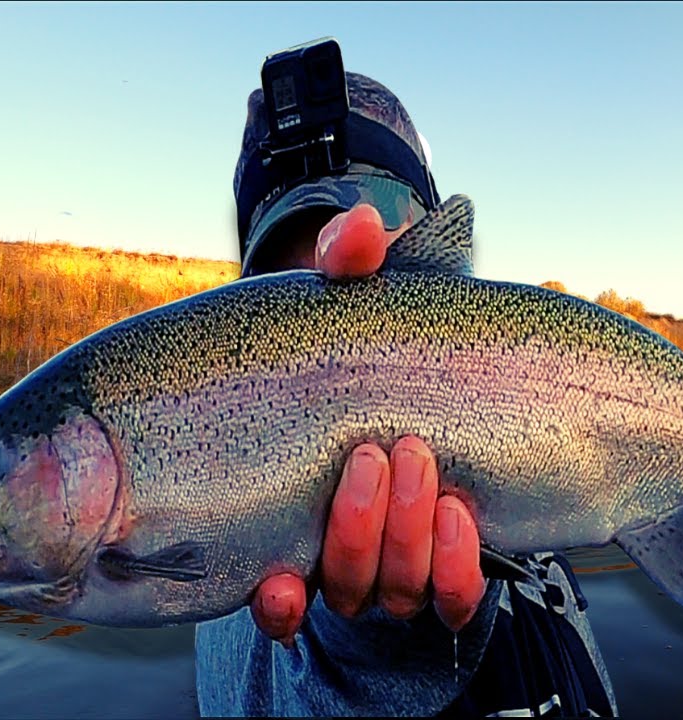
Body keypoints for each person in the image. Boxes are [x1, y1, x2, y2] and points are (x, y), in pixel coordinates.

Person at [195, 70, 618, 718]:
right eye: (299, 308)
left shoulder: (543, 502)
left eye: (375, 275)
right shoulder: (216, 574)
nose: (340, 370)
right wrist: (363, 637)